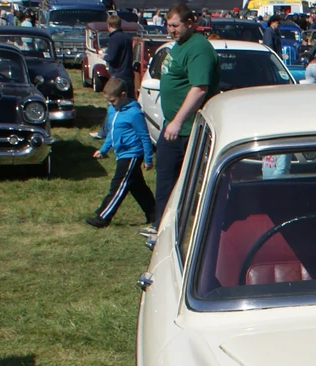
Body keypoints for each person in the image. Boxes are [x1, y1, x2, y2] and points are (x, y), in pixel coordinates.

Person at [149, 3, 220, 237]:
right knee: (165, 180)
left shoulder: (198, 48)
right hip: (173, 127)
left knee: (182, 183)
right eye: (169, 26)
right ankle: (162, 227)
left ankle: (176, 231)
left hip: (187, 130)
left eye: (175, 25)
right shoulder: (179, 45)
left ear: (190, 23)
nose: (171, 30)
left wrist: (178, 121)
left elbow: (199, 88)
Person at [86, 78, 154, 229]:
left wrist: (148, 159)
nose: (111, 104)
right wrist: (103, 150)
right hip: (121, 153)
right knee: (137, 186)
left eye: (113, 101)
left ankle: (103, 217)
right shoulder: (113, 111)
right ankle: (154, 213)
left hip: (132, 154)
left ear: (123, 95)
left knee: (118, 185)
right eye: (108, 101)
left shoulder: (134, 113)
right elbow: (111, 132)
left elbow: (144, 136)